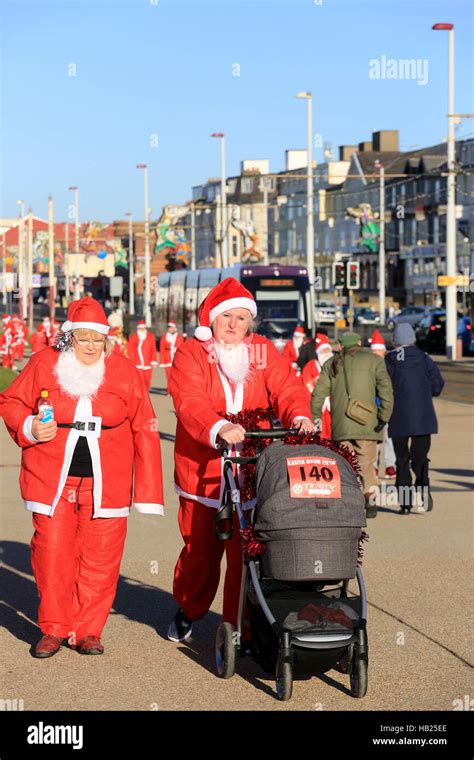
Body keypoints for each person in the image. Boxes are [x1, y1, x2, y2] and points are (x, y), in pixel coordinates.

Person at [0, 296, 164, 658]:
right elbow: (10, 402)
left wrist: (149, 492)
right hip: (52, 478)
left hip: (107, 482)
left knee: (101, 558)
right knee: (52, 553)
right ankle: (54, 628)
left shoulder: (123, 371)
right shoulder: (45, 364)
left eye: (97, 340)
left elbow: (146, 427)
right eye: (82, 338)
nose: (90, 347)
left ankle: (89, 629)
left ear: (107, 341)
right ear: (69, 338)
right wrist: (28, 426)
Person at [167, 277, 314, 642]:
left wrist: (299, 415)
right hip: (203, 471)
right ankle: (189, 608)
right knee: (199, 552)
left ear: (251, 323)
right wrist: (217, 425)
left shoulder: (262, 350)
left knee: (246, 554)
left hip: (253, 466)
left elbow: (286, 386)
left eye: (242, 318)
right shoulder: (191, 353)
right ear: (211, 319)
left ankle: (237, 627)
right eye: (226, 317)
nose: (233, 325)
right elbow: (188, 399)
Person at [311, 332, 393, 519]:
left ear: (340, 346)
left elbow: (318, 395)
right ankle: (370, 499)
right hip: (368, 423)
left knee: (345, 465)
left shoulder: (331, 363)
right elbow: (386, 390)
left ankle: (349, 501)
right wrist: (384, 416)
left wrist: (316, 420)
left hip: (341, 425)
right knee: (366, 463)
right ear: (359, 343)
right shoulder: (374, 361)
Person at [385, 323, 444, 514]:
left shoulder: (389, 360)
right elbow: (437, 385)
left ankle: (405, 504)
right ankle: (423, 489)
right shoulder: (424, 358)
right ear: (413, 339)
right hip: (423, 417)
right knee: (419, 458)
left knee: (401, 460)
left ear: (395, 341)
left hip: (398, 417)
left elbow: (382, 385)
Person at [369, 329, 396, 479]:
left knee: (389, 438)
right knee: (374, 440)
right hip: (372, 408)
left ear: (383, 352)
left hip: (387, 406)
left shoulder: (389, 365)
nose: (377, 354)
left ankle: (390, 466)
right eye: (374, 351)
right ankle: (373, 466)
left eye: (379, 351)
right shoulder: (368, 366)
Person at [301, 334, 334, 439]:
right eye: (323, 351)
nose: (326, 354)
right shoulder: (310, 366)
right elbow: (306, 383)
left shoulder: (335, 365)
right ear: (318, 353)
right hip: (315, 405)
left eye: (327, 351)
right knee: (318, 432)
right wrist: (321, 397)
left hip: (331, 407)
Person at [127, 320, 158, 390]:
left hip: (148, 362)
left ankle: (145, 392)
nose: (142, 329)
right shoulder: (133, 336)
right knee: (139, 380)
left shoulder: (150, 336)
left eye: (143, 328)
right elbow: (130, 349)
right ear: (138, 328)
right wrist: (131, 361)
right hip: (137, 363)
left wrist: (153, 360)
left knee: (147, 380)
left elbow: (153, 348)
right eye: (140, 328)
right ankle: (141, 395)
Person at [159, 321, 184, 393]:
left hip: (176, 358)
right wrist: (162, 361)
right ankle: (169, 390)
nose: (169, 329)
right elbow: (162, 349)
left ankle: (176, 390)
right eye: (168, 327)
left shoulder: (179, 337)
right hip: (167, 358)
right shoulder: (164, 337)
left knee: (177, 376)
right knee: (169, 376)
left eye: (171, 327)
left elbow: (182, 347)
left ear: (174, 328)